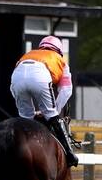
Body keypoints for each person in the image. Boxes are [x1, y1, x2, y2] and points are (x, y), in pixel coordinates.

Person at [10, 35, 79, 166]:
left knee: (25, 118)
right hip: (39, 76)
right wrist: (54, 111)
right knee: (51, 114)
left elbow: (13, 88)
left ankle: (18, 149)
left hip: (17, 77)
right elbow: (66, 91)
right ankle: (69, 154)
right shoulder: (60, 60)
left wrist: (28, 111)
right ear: (58, 50)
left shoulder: (29, 54)